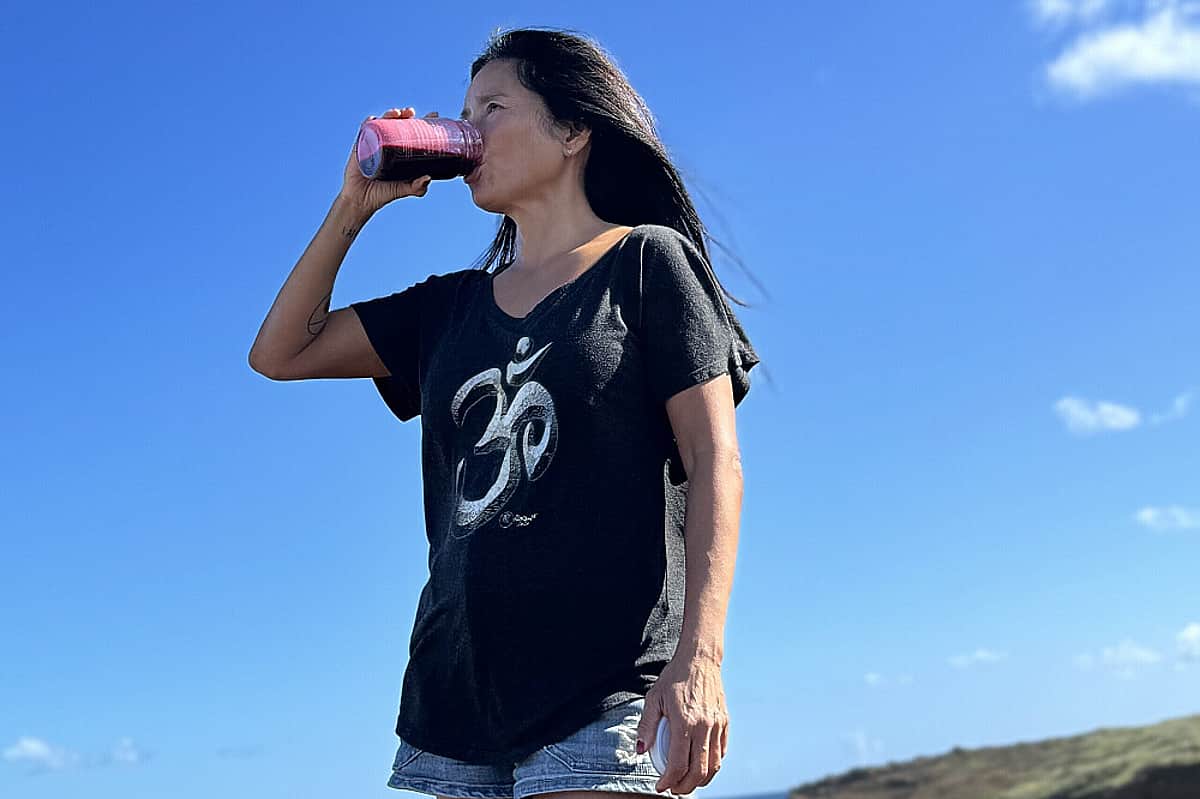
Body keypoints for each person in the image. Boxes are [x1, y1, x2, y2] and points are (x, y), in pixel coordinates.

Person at [248, 25, 761, 799]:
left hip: (602, 687)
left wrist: (701, 659)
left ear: (574, 128)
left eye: (493, 107)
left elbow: (716, 457)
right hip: (453, 703)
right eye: (463, 112)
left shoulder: (648, 261)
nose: (467, 130)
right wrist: (353, 206)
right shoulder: (447, 308)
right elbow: (281, 352)